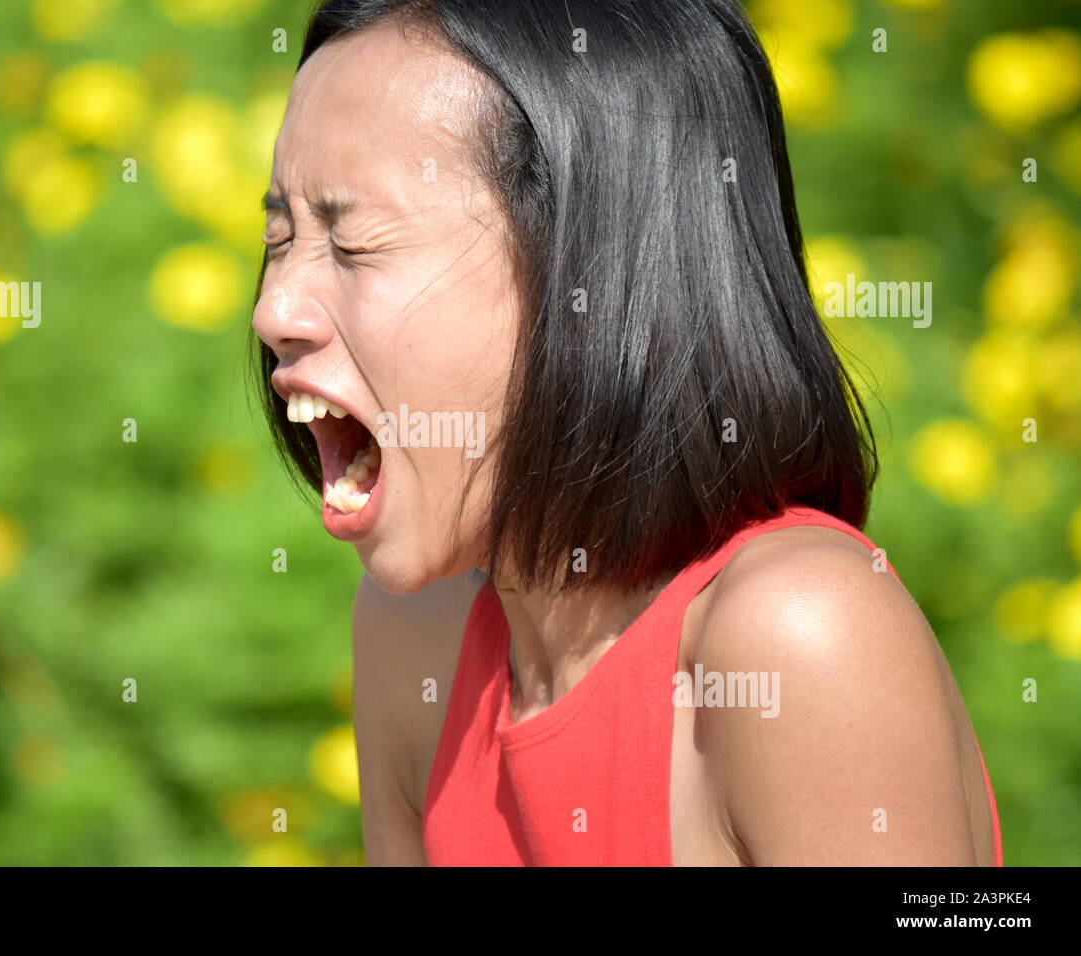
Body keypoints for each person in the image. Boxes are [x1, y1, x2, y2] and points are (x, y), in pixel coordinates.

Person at [251, 0, 1003, 866]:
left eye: (354, 245)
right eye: (279, 236)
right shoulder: (414, 632)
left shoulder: (798, 638)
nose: (275, 310)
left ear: (589, 270)